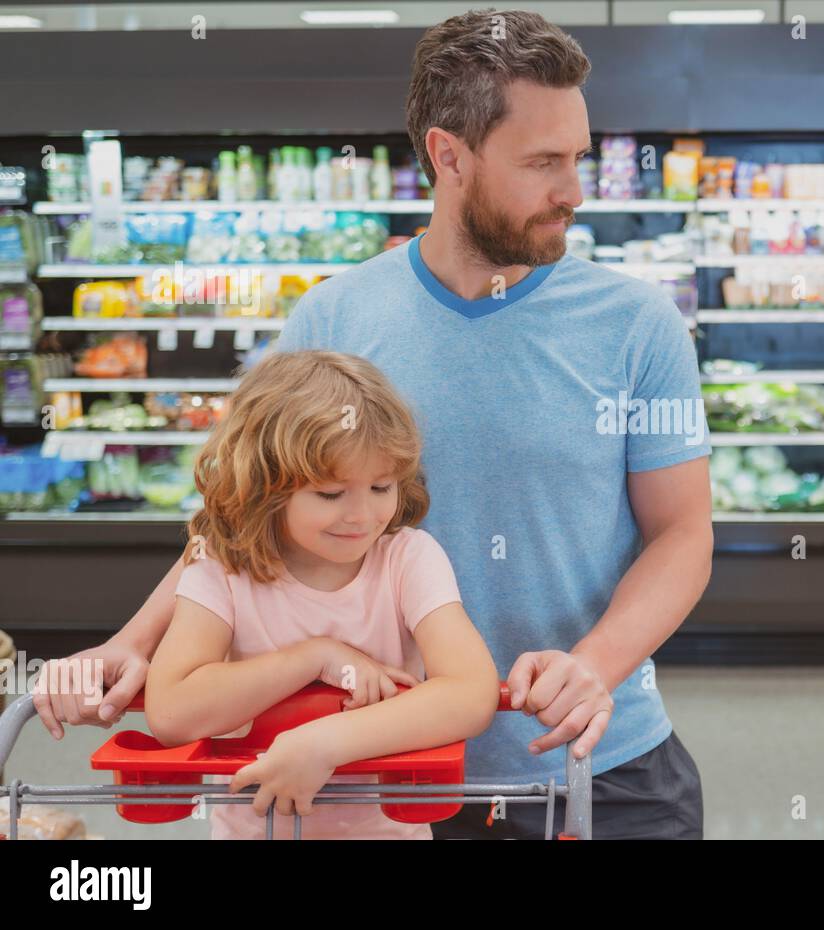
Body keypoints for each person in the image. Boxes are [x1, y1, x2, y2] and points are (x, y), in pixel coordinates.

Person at [34, 8, 713, 840]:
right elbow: (242, 519)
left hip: (595, 762)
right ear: (447, 155)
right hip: (383, 780)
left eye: (576, 158)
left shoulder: (639, 324)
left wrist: (594, 667)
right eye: (543, 164)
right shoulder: (334, 317)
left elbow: (682, 535)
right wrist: (137, 640)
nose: (573, 190)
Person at [146, 349, 499, 839]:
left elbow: (470, 692)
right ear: (263, 484)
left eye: (381, 486)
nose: (362, 515)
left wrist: (323, 744)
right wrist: (315, 657)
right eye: (331, 494)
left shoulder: (407, 559)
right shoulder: (222, 568)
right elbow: (170, 712)